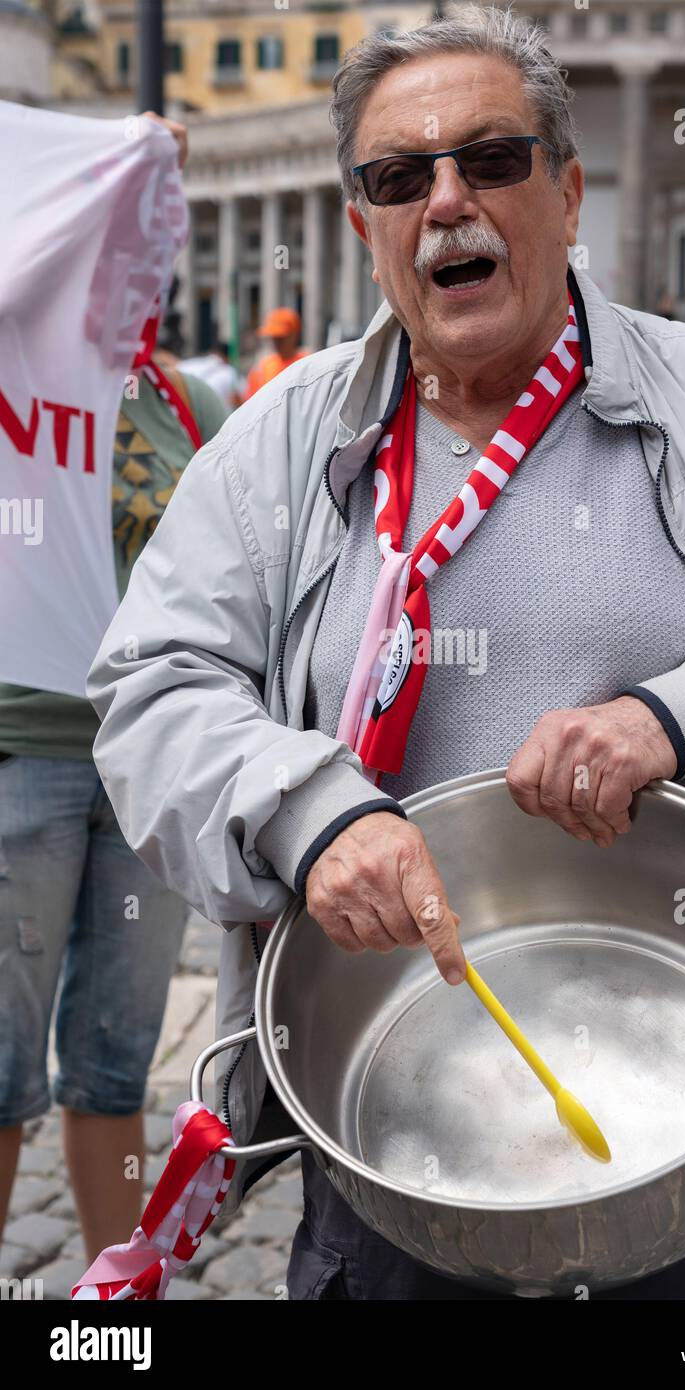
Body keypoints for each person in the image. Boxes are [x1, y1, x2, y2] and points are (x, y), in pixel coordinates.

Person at [87, 6, 685, 1300]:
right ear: (363, 227)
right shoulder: (279, 438)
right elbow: (150, 688)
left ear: (565, 191)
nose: (446, 201)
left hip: (678, 1118)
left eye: (492, 160)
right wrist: (305, 811)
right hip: (381, 1132)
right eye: (399, 177)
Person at [0, 118, 228, 1265]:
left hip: (146, 764)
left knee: (113, 1060)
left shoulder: (189, 400)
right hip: (21, 753)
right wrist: (97, 160)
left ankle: (113, 1296)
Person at [244, 307, 309, 398]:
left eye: (281, 338)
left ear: (294, 335)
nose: (276, 342)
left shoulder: (306, 363)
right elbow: (252, 401)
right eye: (274, 337)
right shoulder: (263, 367)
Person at [182, 340, 245, 410]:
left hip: (184, 406)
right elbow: (245, 397)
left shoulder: (193, 363)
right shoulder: (230, 372)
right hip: (208, 412)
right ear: (229, 357)